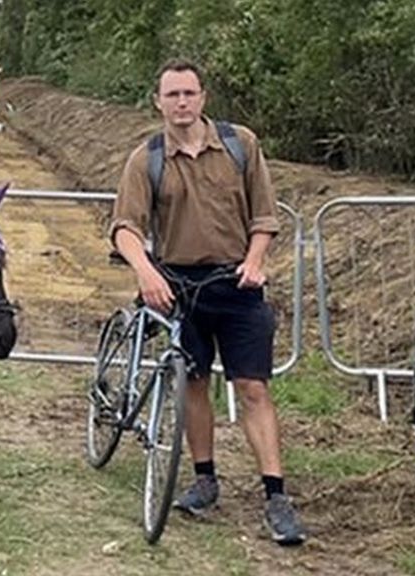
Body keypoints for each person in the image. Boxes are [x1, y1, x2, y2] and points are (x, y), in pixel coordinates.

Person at [110, 59, 307, 546]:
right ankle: (204, 479)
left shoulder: (241, 144)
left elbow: (264, 216)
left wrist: (256, 260)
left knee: (254, 389)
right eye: (171, 94)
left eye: (189, 93)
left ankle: (275, 496)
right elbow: (125, 228)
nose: (181, 102)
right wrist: (147, 271)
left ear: (203, 97)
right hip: (176, 286)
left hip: (237, 284)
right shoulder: (146, 159)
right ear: (157, 101)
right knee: (192, 384)